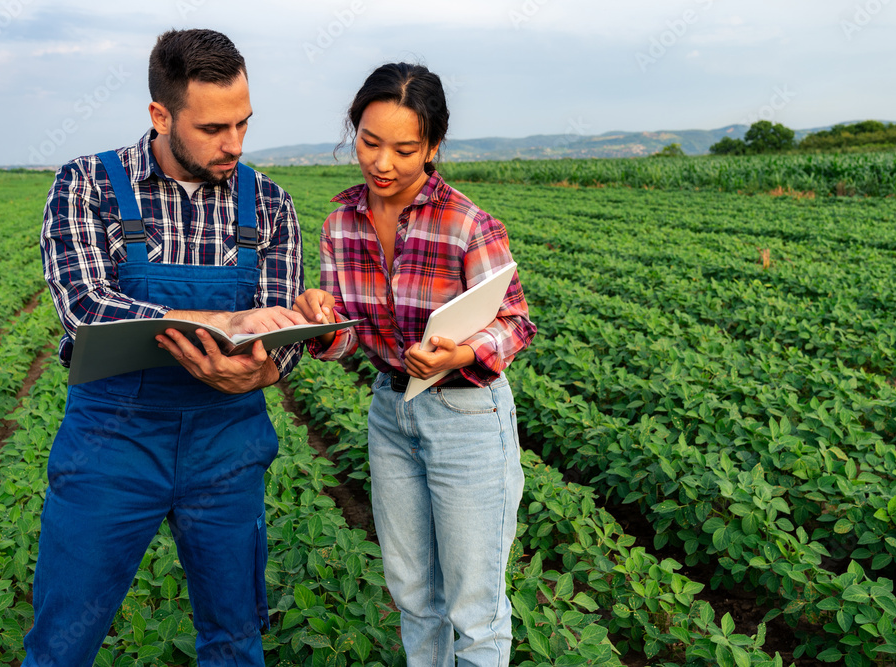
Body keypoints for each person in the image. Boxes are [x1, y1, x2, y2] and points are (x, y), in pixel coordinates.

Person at [28, 29, 304, 666]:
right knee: (61, 641)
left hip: (227, 444)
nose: (233, 143)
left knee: (235, 639)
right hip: (112, 444)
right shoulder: (87, 186)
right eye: (213, 128)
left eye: (243, 123)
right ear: (161, 114)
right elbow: (87, 307)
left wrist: (266, 370)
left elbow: (279, 324)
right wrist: (222, 319)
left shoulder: (268, 202)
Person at [293, 62, 537, 667]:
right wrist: (320, 321)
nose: (383, 163)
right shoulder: (340, 225)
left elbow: (515, 323)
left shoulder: (467, 224)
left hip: (465, 413)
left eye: (404, 149)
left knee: (474, 608)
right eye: (370, 142)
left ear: (431, 147)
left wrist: (461, 352)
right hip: (390, 409)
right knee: (411, 592)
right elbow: (348, 339)